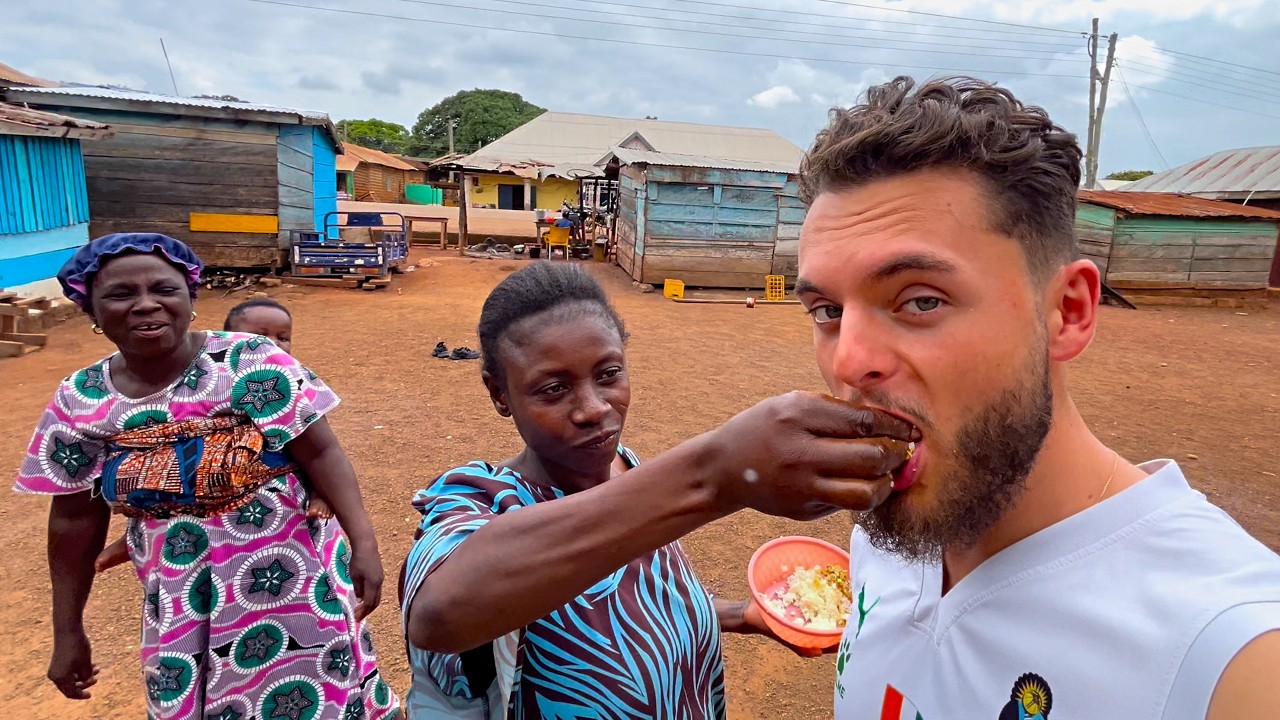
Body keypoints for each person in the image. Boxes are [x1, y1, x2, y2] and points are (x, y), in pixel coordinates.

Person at [790, 76, 1280, 719]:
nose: (850, 363)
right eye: (827, 310)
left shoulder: (1230, 657)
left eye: (921, 300)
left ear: (1068, 312)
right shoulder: (885, 538)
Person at [402, 262, 918, 718]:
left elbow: (622, 611)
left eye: (608, 375)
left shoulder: (631, 473)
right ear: (500, 394)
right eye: (553, 389)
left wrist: (743, 615)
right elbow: (439, 614)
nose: (594, 409)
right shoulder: (483, 501)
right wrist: (716, 474)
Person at [15, 233, 399, 719]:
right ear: (90, 311)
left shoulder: (249, 361)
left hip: (293, 569)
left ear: (190, 298)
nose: (146, 305)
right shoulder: (81, 398)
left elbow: (321, 451)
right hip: (177, 590)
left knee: (313, 691)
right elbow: (72, 518)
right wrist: (67, 631)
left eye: (164, 289)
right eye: (120, 294)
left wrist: (364, 541)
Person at [93, 296, 332, 574]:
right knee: (158, 479)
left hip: (269, 463)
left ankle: (321, 495)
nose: (274, 344)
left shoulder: (290, 374)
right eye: (260, 335)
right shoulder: (211, 374)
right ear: (228, 339)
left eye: (283, 337)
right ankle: (133, 539)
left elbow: (318, 430)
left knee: (316, 463)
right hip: (200, 465)